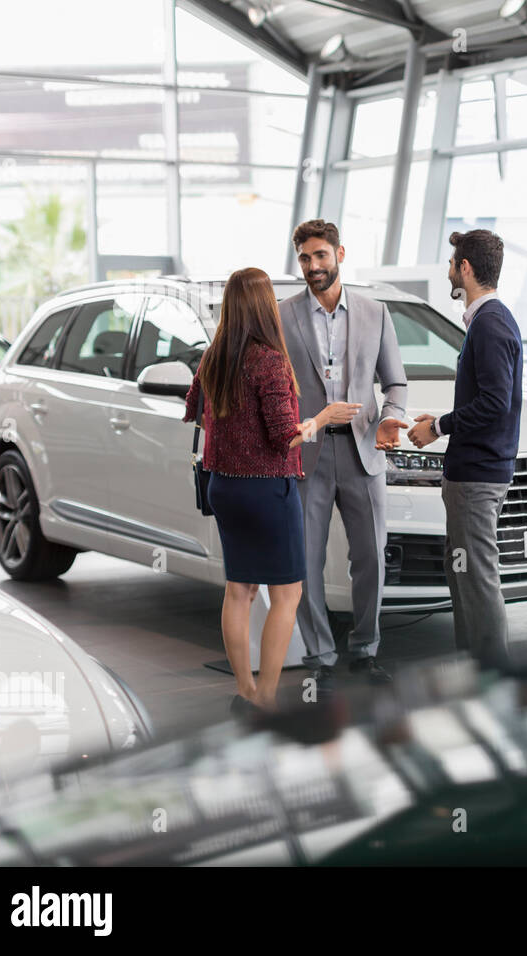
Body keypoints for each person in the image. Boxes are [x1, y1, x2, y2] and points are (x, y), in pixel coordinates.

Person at [183, 267, 359, 714]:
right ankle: (266, 697)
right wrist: (322, 418)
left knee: (238, 591)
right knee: (287, 594)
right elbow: (287, 435)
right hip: (267, 491)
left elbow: (195, 414)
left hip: (223, 486)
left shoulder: (212, 357)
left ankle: (244, 689)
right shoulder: (269, 360)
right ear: (265, 307)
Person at [407, 229, 527, 679]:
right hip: (475, 473)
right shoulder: (492, 320)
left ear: (465, 269)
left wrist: (438, 427)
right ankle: (475, 675)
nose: (450, 270)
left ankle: (492, 681)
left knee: (478, 581)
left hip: (476, 478)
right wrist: (446, 419)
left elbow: (494, 403)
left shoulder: (489, 324)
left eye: (453, 263)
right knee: (467, 579)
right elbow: (492, 397)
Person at [281, 219, 410, 695]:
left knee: (371, 557)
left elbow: (395, 381)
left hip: (364, 450)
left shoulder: (376, 312)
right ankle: (319, 655)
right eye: (304, 259)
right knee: (305, 560)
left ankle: (366, 649)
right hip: (307, 453)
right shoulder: (282, 314)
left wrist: (392, 417)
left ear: (339, 253)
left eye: (320, 256)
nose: (313, 267)